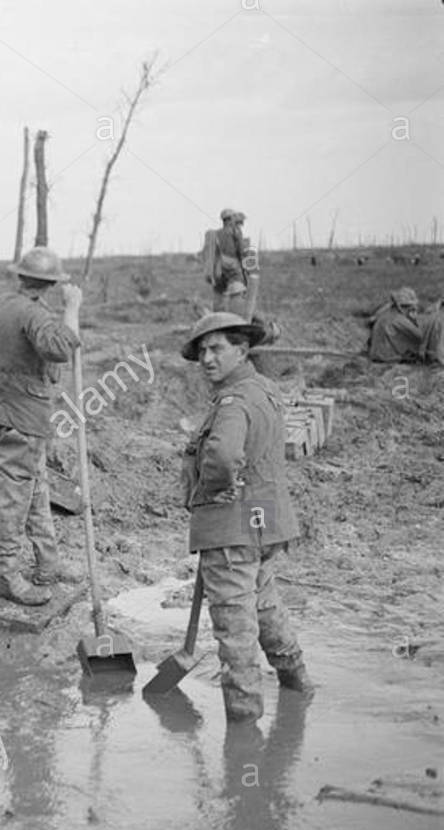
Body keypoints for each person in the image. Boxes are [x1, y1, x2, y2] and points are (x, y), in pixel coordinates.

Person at [180, 313, 313, 722]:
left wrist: (211, 490)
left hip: (231, 530)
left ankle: (244, 729)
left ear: (242, 349)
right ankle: (298, 685)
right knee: (266, 608)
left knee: (235, 629)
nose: (206, 358)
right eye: (202, 350)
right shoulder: (264, 390)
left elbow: (221, 457)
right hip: (265, 524)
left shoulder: (233, 402)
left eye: (217, 348)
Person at [0, 245, 84, 606]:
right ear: (51, 284)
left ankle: (47, 564)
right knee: (16, 496)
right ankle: (5, 575)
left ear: (21, 276)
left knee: (35, 488)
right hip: (22, 417)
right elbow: (60, 350)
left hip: (2, 409)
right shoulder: (35, 314)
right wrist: (71, 309)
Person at [367, 287, 443, 365]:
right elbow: (419, 337)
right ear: (404, 306)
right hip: (386, 357)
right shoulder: (398, 319)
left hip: (375, 354)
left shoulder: (385, 314)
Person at [205, 208, 252, 314]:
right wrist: (247, 269)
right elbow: (242, 251)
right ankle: (236, 319)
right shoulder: (236, 232)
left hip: (218, 270)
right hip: (233, 269)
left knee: (218, 296)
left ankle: (218, 320)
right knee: (237, 293)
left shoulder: (216, 234)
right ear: (231, 219)